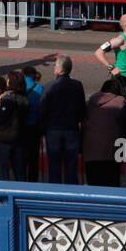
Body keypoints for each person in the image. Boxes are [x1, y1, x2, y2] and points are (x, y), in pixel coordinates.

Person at [41, 55, 86, 184]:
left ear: (60, 69)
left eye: (55, 65)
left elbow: (43, 109)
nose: (54, 67)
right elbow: (82, 108)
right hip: (71, 129)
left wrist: (43, 129)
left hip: (54, 130)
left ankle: (55, 195)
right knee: (71, 165)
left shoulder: (50, 86)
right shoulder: (77, 85)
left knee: (54, 166)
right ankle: (71, 194)